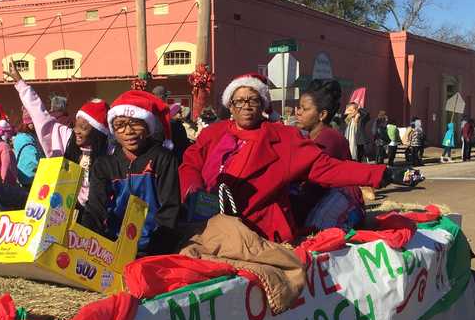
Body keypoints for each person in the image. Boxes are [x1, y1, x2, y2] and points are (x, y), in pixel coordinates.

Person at [180, 73, 422, 245]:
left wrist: (384, 173)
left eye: (253, 100)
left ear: (263, 104)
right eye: (239, 100)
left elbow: (327, 168)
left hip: (255, 232)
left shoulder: (284, 138)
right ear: (230, 106)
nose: (246, 106)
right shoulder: (213, 134)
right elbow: (190, 164)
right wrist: (194, 193)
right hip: (204, 222)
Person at [80, 90, 181, 255]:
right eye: (120, 125)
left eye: (135, 123)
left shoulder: (163, 159)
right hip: (112, 244)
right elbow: (95, 209)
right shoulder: (104, 165)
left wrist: (156, 249)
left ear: (148, 127)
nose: (128, 131)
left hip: (154, 245)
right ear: (113, 130)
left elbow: (169, 210)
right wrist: (85, 240)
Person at [7, 64, 111, 208]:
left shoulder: (109, 153)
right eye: (76, 125)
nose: (77, 131)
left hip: (96, 214)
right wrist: (21, 85)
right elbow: (41, 116)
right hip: (65, 209)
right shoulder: (68, 139)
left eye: (84, 128)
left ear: (98, 132)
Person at [292, 79, 366, 231]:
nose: (297, 112)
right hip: (318, 197)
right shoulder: (309, 136)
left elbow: (314, 185)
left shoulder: (329, 139)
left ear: (322, 114)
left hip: (340, 200)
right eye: (298, 107)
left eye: (304, 109)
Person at [13, 109, 45, 189]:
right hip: (32, 177)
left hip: (24, 176)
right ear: (28, 123)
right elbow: (34, 159)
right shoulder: (26, 138)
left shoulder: (20, 136)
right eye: (33, 122)